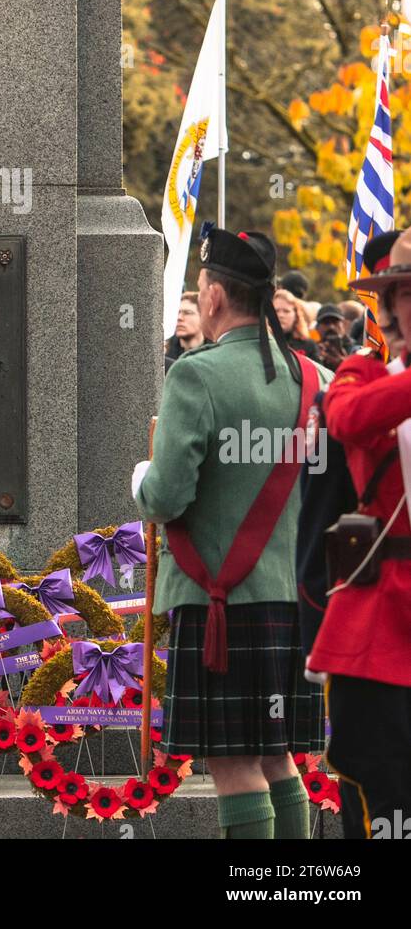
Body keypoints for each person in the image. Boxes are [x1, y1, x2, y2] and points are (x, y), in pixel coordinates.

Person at [134, 227, 330, 841]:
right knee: (277, 759)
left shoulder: (197, 376)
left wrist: (141, 481)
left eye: (200, 287)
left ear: (215, 296)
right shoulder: (318, 379)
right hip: (297, 599)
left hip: (224, 602)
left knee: (234, 764)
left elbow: (166, 497)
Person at [295, 229, 401, 841]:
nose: (396, 311)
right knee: (378, 793)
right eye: (393, 295)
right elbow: (321, 518)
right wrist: (318, 624)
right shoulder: (357, 380)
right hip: (379, 618)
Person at [272, 288, 318, 359]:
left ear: (296, 315)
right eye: (276, 311)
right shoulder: (262, 343)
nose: (281, 315)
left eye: (286, 311)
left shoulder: (308, 345)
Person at [164, 291, 204, 370]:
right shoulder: (163, 351)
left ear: (203, 317)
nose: (179, 317)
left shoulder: (215, 354)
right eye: (178, 313)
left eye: (188, 313)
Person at [313, 304, 353, 371]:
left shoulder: (355, 349)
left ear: (343, 325)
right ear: (317, 327)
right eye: (326, 323)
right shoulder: (312, 348)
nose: (331, 327)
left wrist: (345, 363)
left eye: (335, 322)